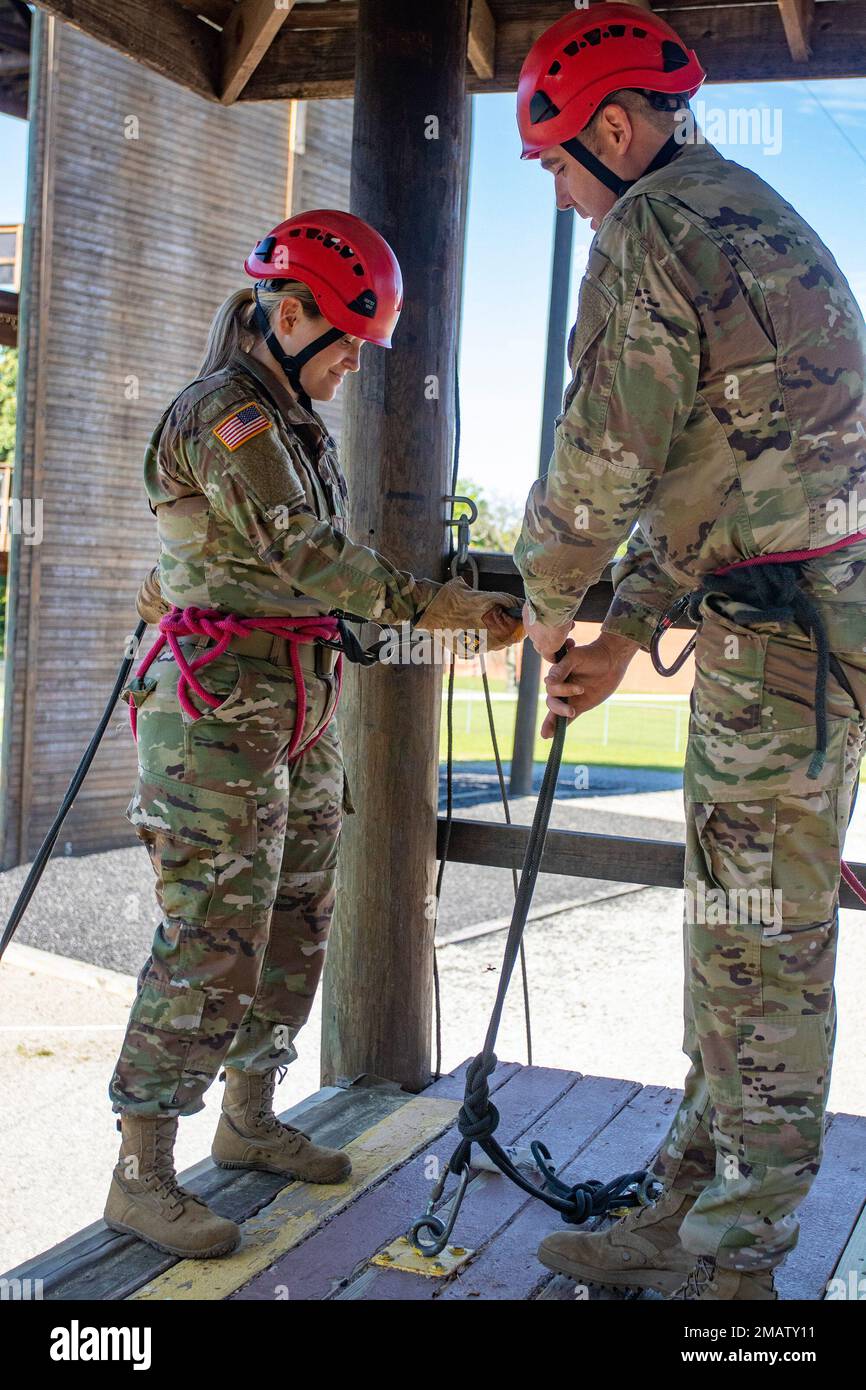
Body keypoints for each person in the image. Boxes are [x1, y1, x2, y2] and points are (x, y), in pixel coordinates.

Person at [512, 5, 866, 1300]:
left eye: (552, 160)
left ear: (613, 129)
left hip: (784, 640)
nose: (555, 192)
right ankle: (683, 1202)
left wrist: (553, 598)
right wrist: (626, 632)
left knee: (759, 952)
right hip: (787, 637)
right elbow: (712, 458)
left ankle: (734, 1277)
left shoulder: (653, 224)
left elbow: (607, 451)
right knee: (732, 939)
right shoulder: (735, 216)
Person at [104, 208, 521, 1259]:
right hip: (213, 724)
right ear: (286, 315)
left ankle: (248, 1117)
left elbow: (290, 572)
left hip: (297, 704)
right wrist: (435, 609)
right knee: (209, 935)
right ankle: (141, 1170)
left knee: (294, 918)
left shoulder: (294, 423)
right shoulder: (224, 417)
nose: (350, 367)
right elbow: (305, 555)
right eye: (341, 343)